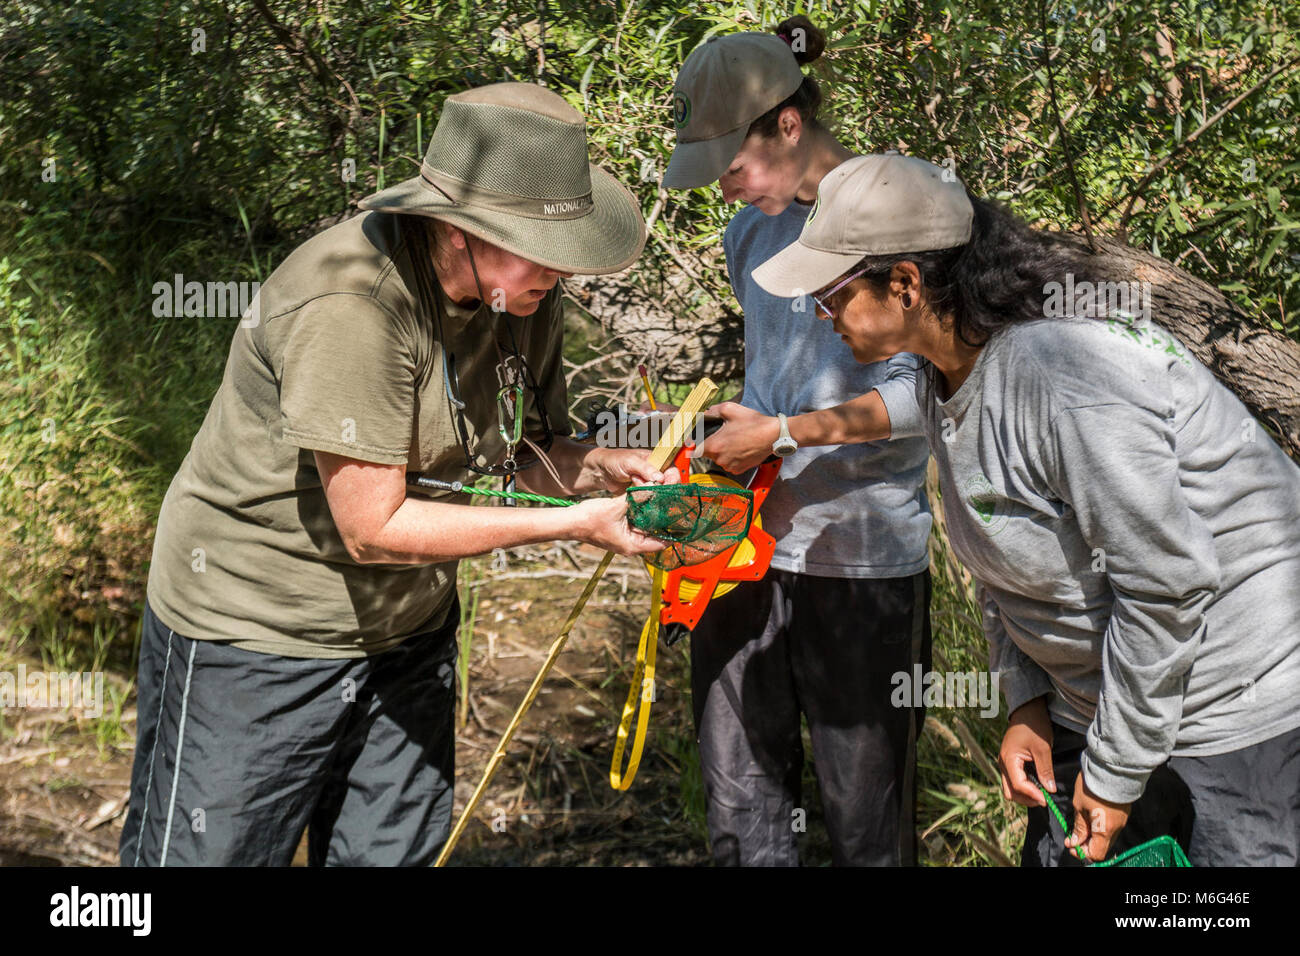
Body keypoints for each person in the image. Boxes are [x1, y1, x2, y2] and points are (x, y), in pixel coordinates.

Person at [120, 82, 671, 866]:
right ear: (457, 230)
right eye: (543, 249)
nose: (563, 274)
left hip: (408, 634)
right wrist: (575, 525)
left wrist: (599, 472)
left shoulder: (524, 291)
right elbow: (374, 527)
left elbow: (519, 455)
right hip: (258, 637)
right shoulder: (354, 302)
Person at [752, 151, 1300, 865]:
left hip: (1227, 720)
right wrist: (1026, 702)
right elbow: (1004, 557)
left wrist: (1114, 773)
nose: (821, 316)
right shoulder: (937, 377)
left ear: (907, 283)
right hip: (1102, 718)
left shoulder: (1063, 372)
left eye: (831, 294)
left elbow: (1166, 582)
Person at [660, 19, 934, 866]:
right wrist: (727, 434)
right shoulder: (750, 232)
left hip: (862, 563)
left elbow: (920, 395)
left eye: (733, 168)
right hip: (740, 550)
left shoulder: (900, 211)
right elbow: (776, 373)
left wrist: (780, 431)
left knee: (866, 824)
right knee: (744, 807)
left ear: (786, 124)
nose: (729, 190)